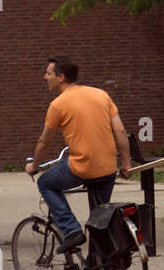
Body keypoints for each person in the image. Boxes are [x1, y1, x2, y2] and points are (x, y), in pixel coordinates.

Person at [26, 57, 132, 253]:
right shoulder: (101, 95)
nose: (45, 77)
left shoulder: (58, 104)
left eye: (48, 73)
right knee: (100, 219)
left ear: (61, 77)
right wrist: (126, 163)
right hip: (108, 168)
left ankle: (72, 230)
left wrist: (34, 165)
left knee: (45, 183)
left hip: (82, 168)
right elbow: (120, 130)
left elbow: (44, 142)